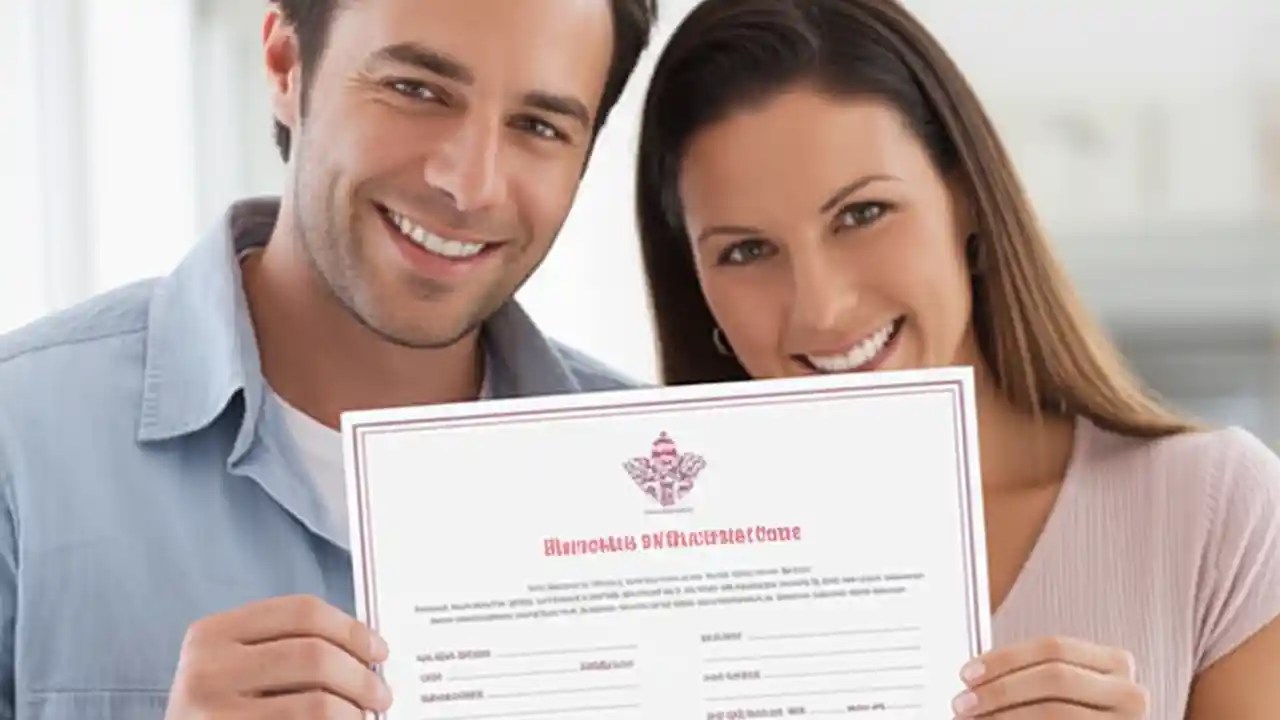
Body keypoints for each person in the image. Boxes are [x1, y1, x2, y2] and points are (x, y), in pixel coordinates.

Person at [0, 0, 656, 717]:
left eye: (538, 126)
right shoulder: (22, 443)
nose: (469, 185)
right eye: (416, 90)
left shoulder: (660, 485)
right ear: (286, 64)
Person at [633, 0, 1280, 717]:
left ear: (965, 200)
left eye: (861, 214)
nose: (820, 308)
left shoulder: (1215, 515)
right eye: (747, 251)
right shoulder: (658, 580)